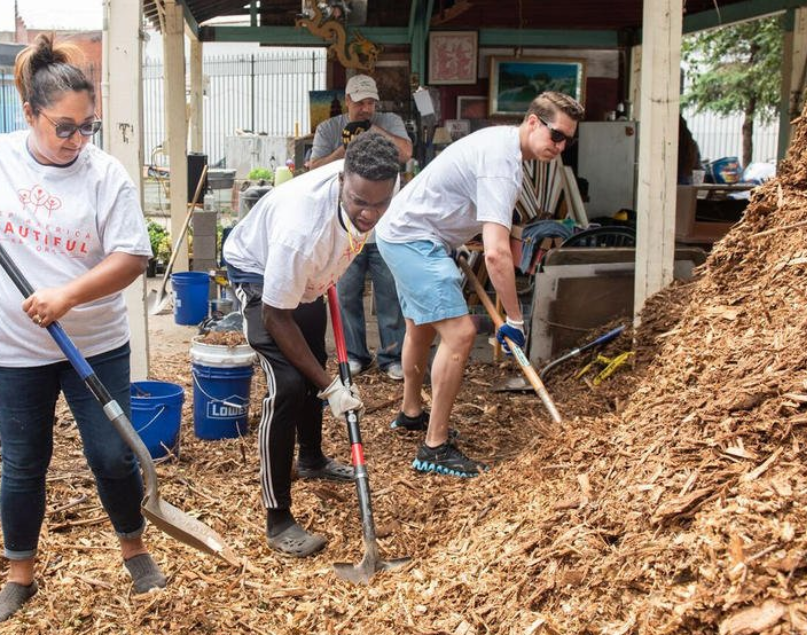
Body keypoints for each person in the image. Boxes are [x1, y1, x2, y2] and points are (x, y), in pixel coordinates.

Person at [0, 33, 167, 624]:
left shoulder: (104, 174)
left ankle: (134, 548)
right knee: (23, 461)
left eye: (86, 126)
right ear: (30, 115)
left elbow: (132, 258)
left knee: (112, 456)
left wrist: (67, 294)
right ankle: (20, 572)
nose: (76, 140)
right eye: (63, 127)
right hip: (16, 346)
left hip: (92, 341)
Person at [376, 90, 585, 478]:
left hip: (409, 234)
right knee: (459, 333)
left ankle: (411, 413)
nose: (560, 146)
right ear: (534, 122)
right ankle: (434, 448)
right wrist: (515, 320)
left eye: (568, 141)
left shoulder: (504, 148)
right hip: (413, 239)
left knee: (420, 327)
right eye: (556, 135)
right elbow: (496, 254)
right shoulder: (502, 163)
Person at [223, 131, 402, 557]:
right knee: (289, 384)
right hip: (260, 273)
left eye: (380, 203)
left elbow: (355, 228)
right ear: (342, 179)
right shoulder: (300, 229)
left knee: (312, 360)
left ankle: (313, 459)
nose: (369, 213)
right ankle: (277, 516)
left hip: (307, 279)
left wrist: (321, 377)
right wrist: (330, 386)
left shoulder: (373, 195)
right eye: (360, 201)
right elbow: (274, 316)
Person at [308, 74, 412, 382]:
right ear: (348, 100)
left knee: (389, 294)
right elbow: (312, 169)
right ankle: (354, 354)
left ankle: (392, 356)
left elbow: (405, 152)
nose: (366, 108)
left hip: (386, 226)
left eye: (371, 102)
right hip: (345, 226)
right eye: (360, 102)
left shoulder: (388, 121)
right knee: (345, 294)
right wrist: (344, 147)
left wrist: (372, 129)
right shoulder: (329, 128)